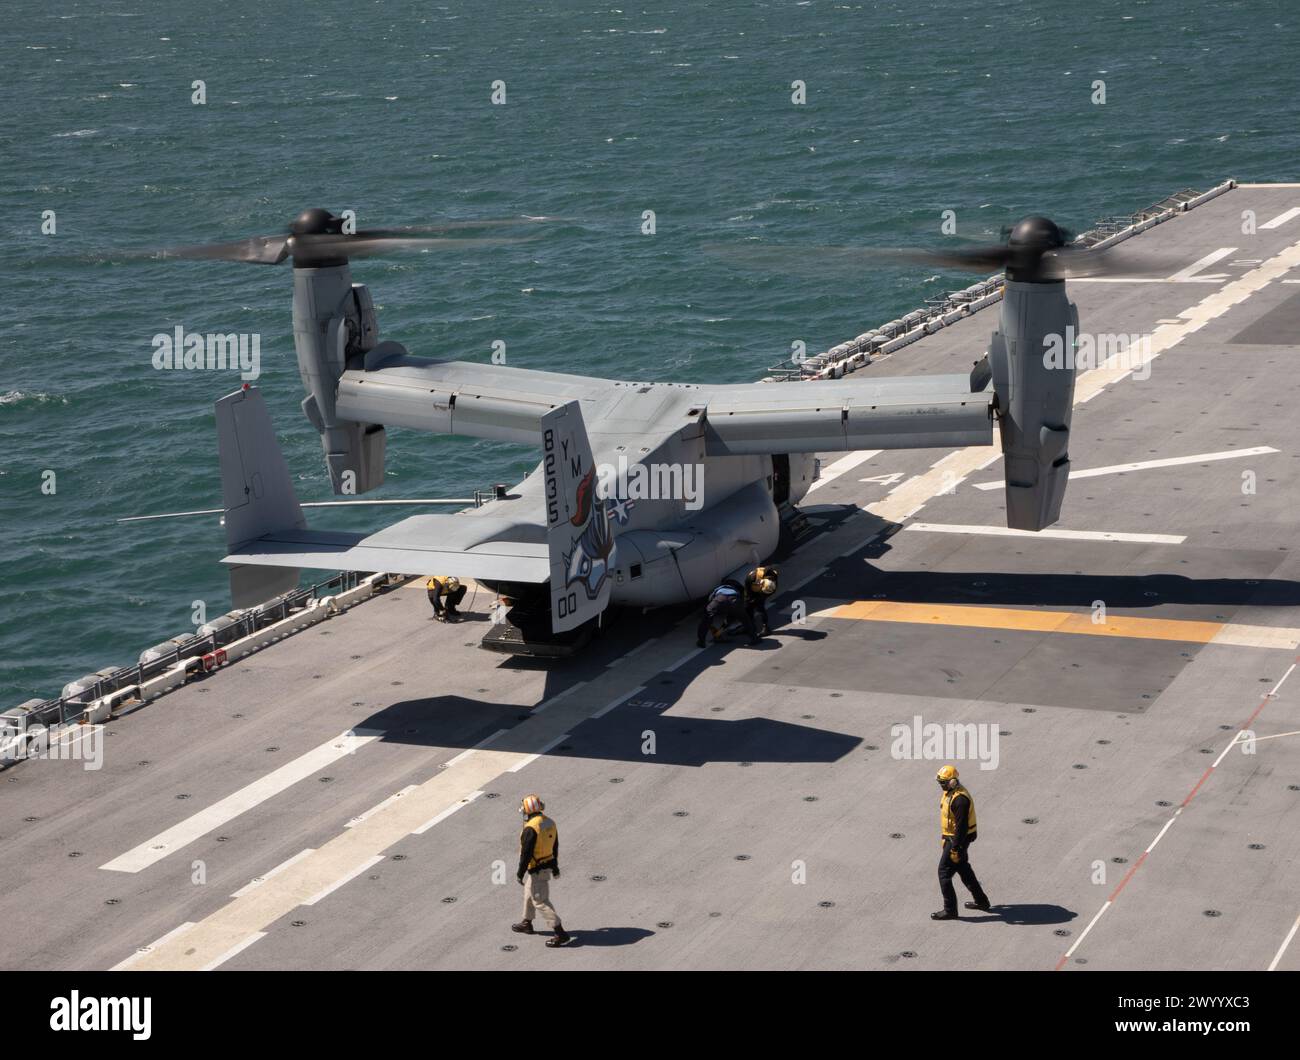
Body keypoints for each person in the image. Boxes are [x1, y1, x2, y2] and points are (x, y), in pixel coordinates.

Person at [931, 764, 992, 920]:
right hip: (953, 838)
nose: (941, 785)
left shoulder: (960, 800)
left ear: (952, 782)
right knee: (963, 869)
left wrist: (955, 848)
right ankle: (982, 901)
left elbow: (962, 827)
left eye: (944, 782)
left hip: (958, 839)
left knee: (943, 872)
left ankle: (950, 910)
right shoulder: (950, 793)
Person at [511, 794, 571, 947]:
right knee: (528, 893)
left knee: (540, 901)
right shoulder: (549, 822)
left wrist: (520, 873)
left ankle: (560, 933)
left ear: (528, 810)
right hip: (546, 864)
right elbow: (554, 846)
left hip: (537, 869)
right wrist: (555, 867)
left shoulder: (531, 828)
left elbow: (526, 854)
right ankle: (527, 923)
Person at [695, 579, 760, 648]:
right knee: (745, 619)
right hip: (734, 600)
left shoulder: (719, 588)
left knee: (707, 617)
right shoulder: (737, 591)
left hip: (720, 599)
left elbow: (710, 601)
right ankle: (754, 638)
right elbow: (737, 611)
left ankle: (701, 641)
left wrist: (708, 615)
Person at [743, 565, 780, 636]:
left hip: (763, 591)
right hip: (751, 589)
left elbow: (772, 591)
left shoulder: (773, 577)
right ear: (761, 583)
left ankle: (766, 628)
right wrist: (749, 599)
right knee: (748, 606)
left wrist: (761, 597)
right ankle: (749, 625)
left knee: (760, 607)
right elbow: (747, 591)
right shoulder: (752, 577)